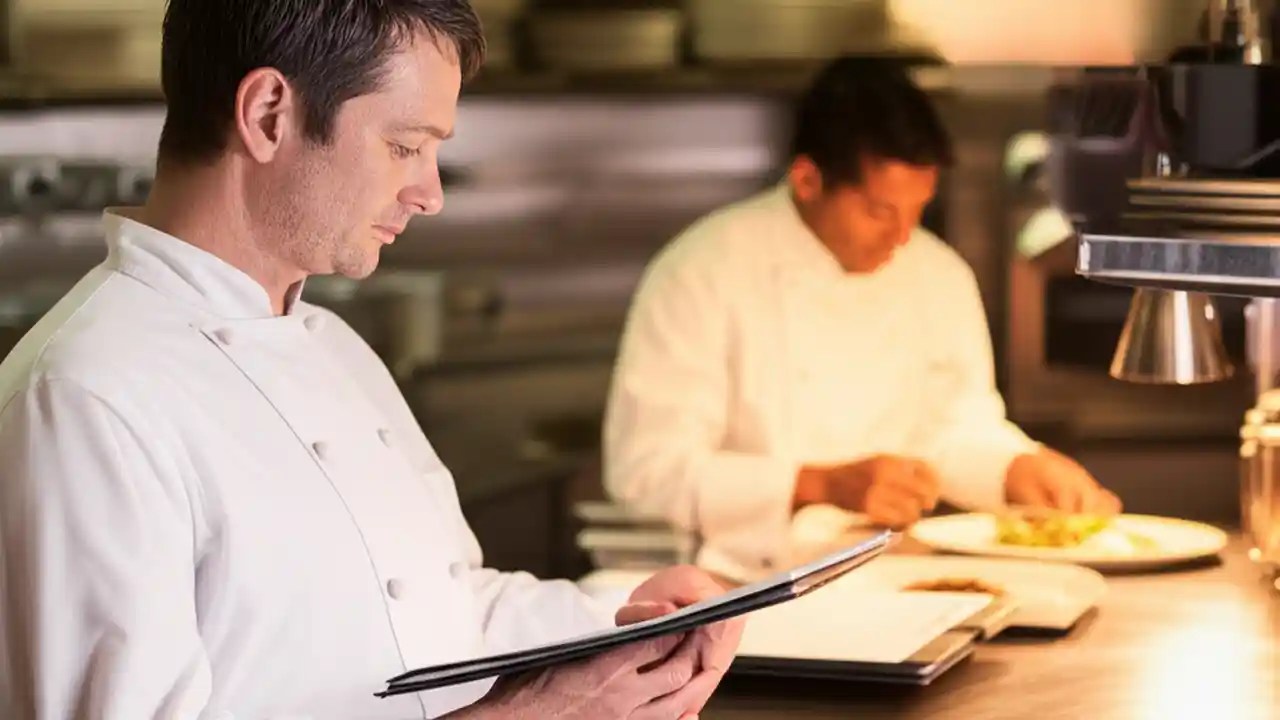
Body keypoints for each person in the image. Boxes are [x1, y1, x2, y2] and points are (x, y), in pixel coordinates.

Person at [0, 1, 741, 718]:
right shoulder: (86, 397)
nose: (430, 193)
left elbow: (445, 606)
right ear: (268, 116)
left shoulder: (335, 348)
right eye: (405, 146)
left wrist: (629, 618)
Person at [604, 57, 1121, 578]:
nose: (902, 238)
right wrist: (819, 486)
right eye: (880, 211)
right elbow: (647, 474)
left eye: (917, 210)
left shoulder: (938, 274)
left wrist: (1016, 467)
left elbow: (952, 429)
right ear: (807, 180)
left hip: (894, 576)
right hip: (737, 590)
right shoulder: (700, 271)